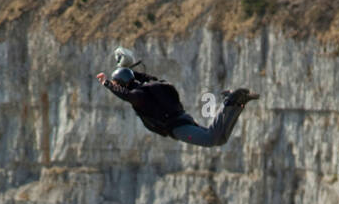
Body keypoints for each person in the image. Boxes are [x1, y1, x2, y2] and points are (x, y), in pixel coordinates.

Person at [96, 49, 258, 147]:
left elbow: (125, 95)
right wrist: (126, 68)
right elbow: (138, 77)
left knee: (211, 138)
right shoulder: (147, 84)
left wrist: (107, 83)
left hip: (178, 128)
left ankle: (229, 102)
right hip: (183, 119)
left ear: (121, 84)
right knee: (220, 139)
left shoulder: (139, 95)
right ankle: (238, 104)